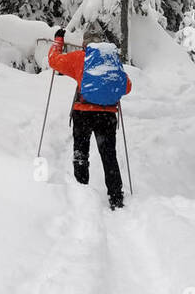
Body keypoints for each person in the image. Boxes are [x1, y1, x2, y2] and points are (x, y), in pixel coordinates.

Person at [48, 26, 132, 210]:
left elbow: (53, 61)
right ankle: (116, 198)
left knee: (81, 152)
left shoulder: (80, 58)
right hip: (107, 115)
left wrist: (58, 41)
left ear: (85, 43)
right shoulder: (111, 60)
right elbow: (127, 86)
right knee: (109, 155)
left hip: (83, 113)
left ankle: (82, 192)